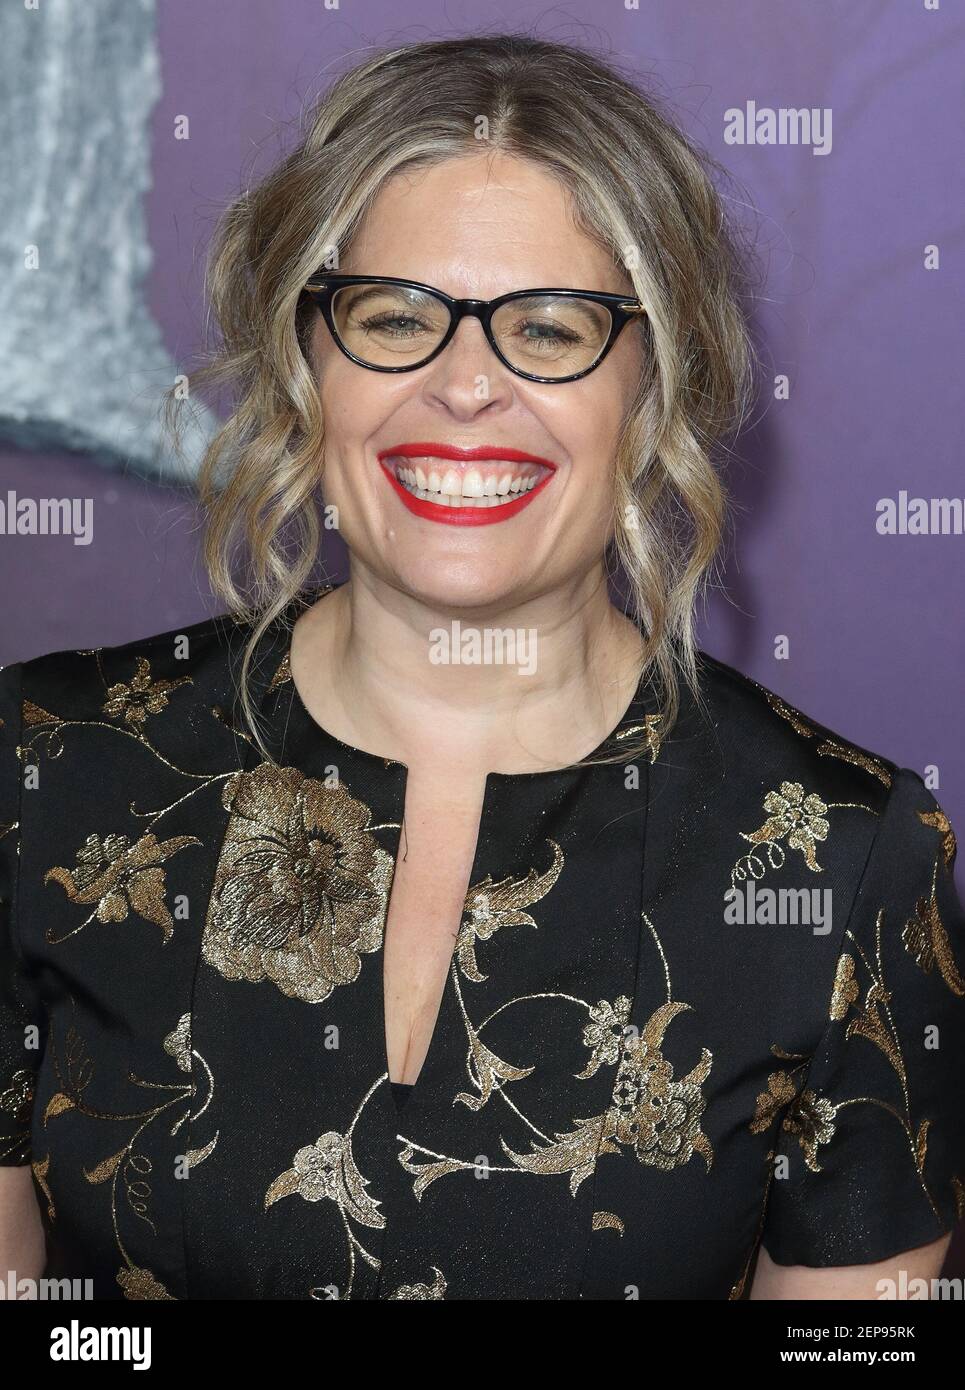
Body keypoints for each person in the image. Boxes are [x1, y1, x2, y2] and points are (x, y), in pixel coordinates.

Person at [1, 34, 963, 1301]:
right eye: (393, 316)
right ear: (308, 363)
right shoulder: (44, 770)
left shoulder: (847, 856)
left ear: (654, 378)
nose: (465, 385)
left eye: (549, 329)